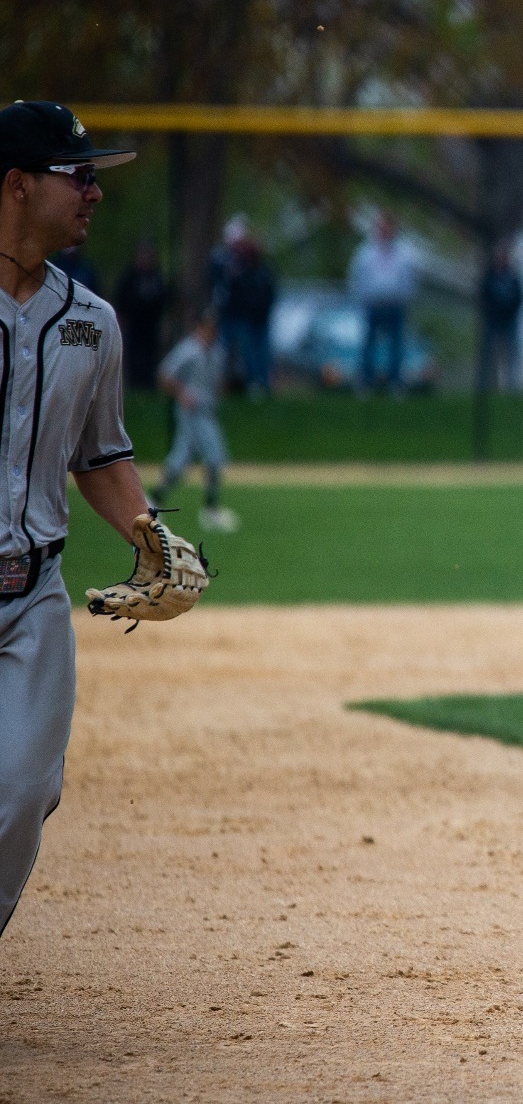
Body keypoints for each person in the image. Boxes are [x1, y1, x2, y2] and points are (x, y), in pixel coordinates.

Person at [0, 101, 209, 940]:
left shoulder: (93, 322)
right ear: (17, 185)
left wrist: (155, 539)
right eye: (77, 175)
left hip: (32, 595)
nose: (93, 192)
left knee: (21, 790)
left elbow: (103, 461)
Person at [153, 308, 238, 534]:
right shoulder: (188, 350)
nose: (211, 332)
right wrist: (182, 393)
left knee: (184, 458)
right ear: (199, 327)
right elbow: (164, 375)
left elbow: (217, 381)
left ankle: (154, 498)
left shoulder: (216, 352)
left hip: (207, 411)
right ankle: (210, 509)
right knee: (211, 455)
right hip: (191, 412)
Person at [346, 209, 418, 394]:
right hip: (373, 304)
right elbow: (357, 278)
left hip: (395, 304)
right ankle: (366, 380)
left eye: (387, 228)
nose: (384, 231)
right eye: (381, 228)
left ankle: (395, 381)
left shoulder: (403, 253)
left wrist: (405, 298)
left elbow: (408, 278)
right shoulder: (365, 252)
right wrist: (362, 299)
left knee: (396, 344)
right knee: (369, 344)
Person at [212, 215, 276, 397]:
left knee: (255, 351)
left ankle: (258, 382)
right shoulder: (224, 261)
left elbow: (267, 290)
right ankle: (225, 383)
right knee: (228, 351)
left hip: (252, 316)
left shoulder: (258, 268)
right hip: (234, 315)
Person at [113, 238, 170, 390]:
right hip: (134, 323)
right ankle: (134, 385)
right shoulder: (130, 277)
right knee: (133, 355)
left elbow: (164, 298)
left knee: (151, 355)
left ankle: (149, 385)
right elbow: (121, 298)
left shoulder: (156, 277)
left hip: (152, 324)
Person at [478, 237, 523, 394]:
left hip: (509, 321)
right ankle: (485, 388)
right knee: (488, 356)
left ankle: (512, 388)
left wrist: (509, 311)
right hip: (492, 321)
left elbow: (520, 297)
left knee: (511, 355)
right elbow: (483, 296)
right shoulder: (489, 276)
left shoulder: (512, 277)